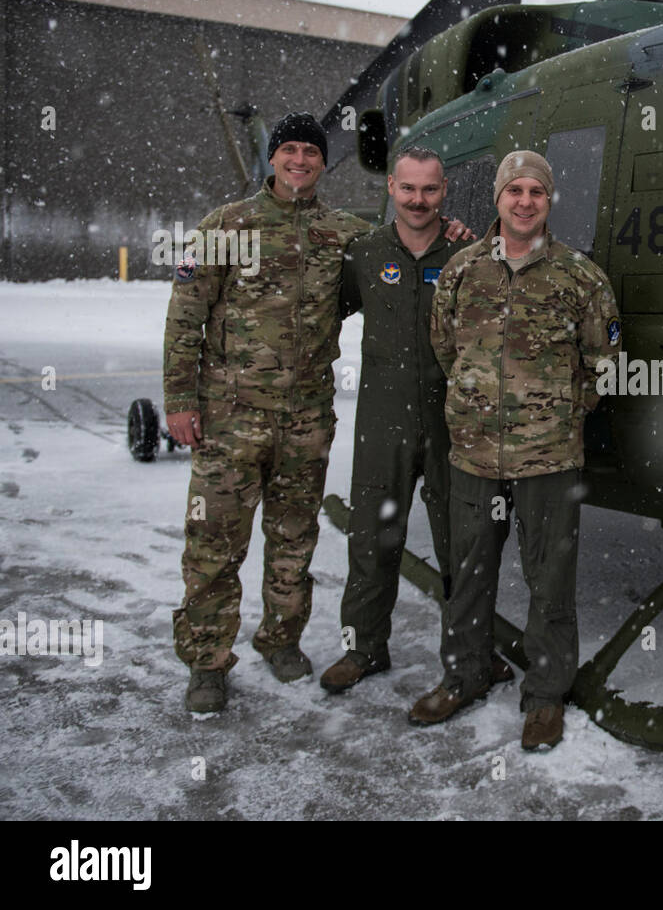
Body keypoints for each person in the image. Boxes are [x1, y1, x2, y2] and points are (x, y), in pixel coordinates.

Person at [411, 150, 620, 751]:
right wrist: (480, 407)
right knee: (468, 572)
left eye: (536, 191)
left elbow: (603, 364)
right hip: (474, 455)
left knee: (550, 579)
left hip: (549, 459)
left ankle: (547, 693)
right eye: (515, 191)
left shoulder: (581, 277)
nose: (525, 201)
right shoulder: (462, 271)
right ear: (497, 199)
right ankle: (465, 675)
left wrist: (558, 412)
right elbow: (446, 349)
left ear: (548, 200)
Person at [165, 112, 371, 713]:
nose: (300, 160)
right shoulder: (226, 226)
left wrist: (458, 231)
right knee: (214, 544)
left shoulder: (344, 233)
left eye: (311, 151)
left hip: (306, 419)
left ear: (323, 162)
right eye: (290, 149)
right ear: (274, 159)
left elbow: (409, 250)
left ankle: (281, 639)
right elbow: (185, 319)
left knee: (293, 538)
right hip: (231, 419)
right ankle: (207, 661)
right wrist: (179, 399)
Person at [319, 146, 515, 693]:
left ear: (444, 191)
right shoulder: (363, 253)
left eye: (430, 189)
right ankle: (364, 649)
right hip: (384, 417)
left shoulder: (465, 255)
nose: (419, 199)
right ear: (390, 188)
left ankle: (472, 653)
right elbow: (324, 312)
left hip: (453, 418)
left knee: (465, 541)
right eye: (409, 188)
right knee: (372, 536)